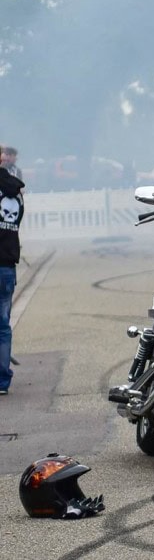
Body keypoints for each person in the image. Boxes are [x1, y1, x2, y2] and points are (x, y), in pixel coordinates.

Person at [0, 146, 24, 395]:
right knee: (3, 326)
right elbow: (16, 223)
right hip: (7, 265)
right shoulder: (17, 194)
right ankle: (2, 381)